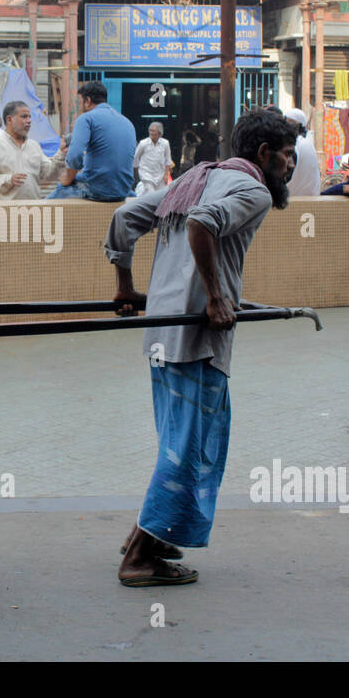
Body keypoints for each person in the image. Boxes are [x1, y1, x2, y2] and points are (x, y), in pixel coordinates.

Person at [106, 109, 297, 587]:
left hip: (160, 334)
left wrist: (126, 286)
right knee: (193, 449)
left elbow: (125, 216)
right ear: (264, 154)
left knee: (179, 445)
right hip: (196, 338)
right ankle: (139, 559)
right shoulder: (250, 190)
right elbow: (201, 225)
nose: (292, 166)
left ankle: (144, 539)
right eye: (288, 156)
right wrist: (216, 296)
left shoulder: (195, 177)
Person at [47, 81, 137, 201]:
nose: (80, 107)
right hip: (123, 190)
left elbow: (75, 156)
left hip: (97, 190)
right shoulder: (127, 122)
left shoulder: (86, 118)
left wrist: (67, 178)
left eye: (80, 102)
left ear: (88, 100)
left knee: (54, 196)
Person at [0, 101, 67, 200]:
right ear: (9, 119)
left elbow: (48, 174)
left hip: (32, 211)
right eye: (24, 117)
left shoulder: (34, 146)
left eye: (29, 117)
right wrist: (8, 179)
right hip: (5, 212)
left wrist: (61, 153)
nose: (29, 120)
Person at [282, 108, 320, 197]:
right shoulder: (305, 142)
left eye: (289, 121)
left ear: (298, 125)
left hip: (295, 198)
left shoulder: (295, 144)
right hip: (311, 196)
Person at [133, 121, 174, 196]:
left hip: (160, 175)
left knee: (160, 196)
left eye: (153, 131)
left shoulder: (165, 143)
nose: (151, 133)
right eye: (150, 130)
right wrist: (136, 171)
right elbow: (136, 157)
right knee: (151, 194)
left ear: (159, 133)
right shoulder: (143, 143)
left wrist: (166, 175)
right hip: (146, 174)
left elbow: (168, 160)